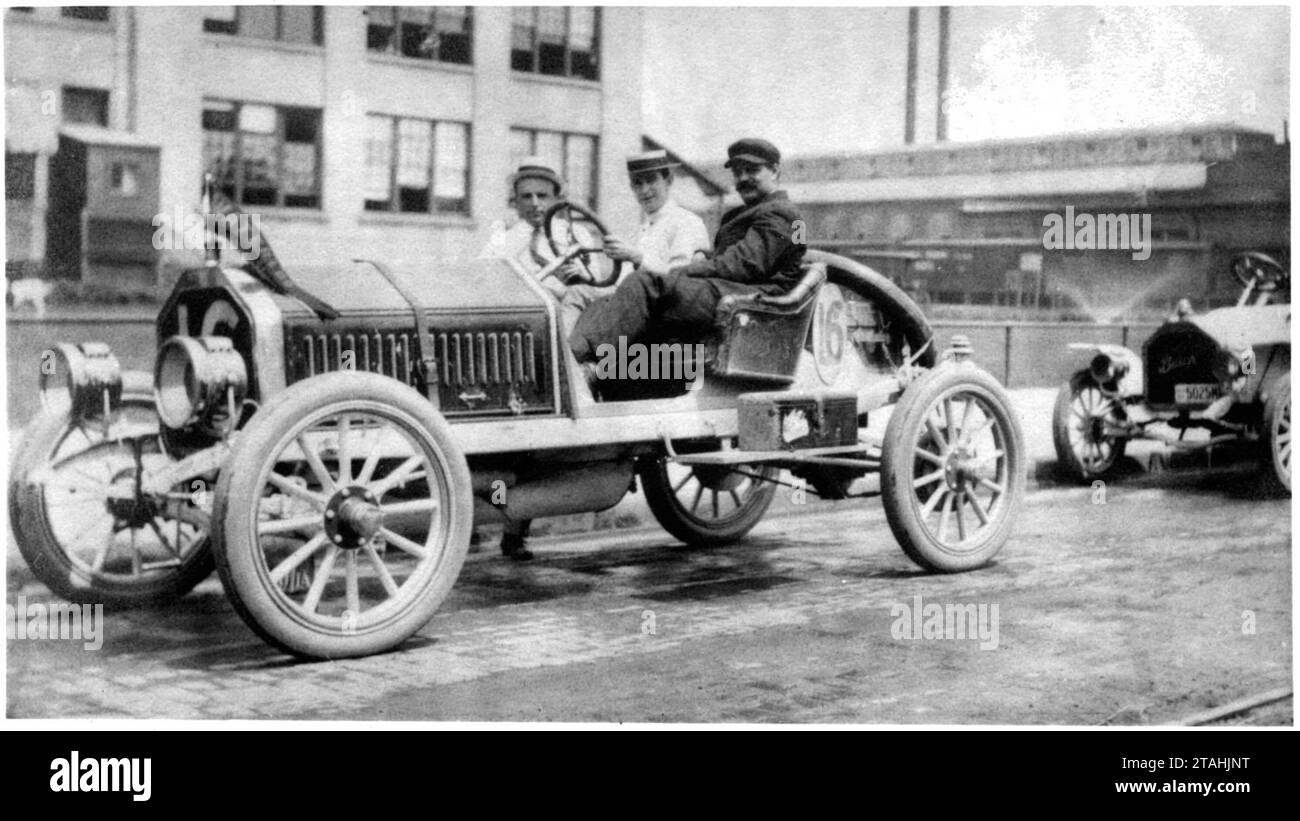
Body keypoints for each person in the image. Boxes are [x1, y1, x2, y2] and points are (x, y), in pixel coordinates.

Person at [569, 138, 805, 373]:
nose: (742, 178)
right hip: (733, 291)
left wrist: (686, 270)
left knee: (645, 283)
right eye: (737, 172)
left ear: (774, 170)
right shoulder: (752, 213)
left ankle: (580, 364)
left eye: (752, 170)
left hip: (754, 300)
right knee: (606, 300)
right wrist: (703, 257)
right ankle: (579, 357)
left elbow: (745, 264)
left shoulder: (781, 212)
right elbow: (744, 258)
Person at [479, 157, 583, 561]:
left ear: (558, 197)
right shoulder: (504, 238)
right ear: (515, 201)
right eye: (527, 197)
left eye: (544, 195)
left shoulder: (573, 232)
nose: (536, 204)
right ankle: (487, 521)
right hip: (511, 337)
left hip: (558, 334)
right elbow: (486, 277)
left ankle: (515, 531)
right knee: (507, 446)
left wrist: (577, 275)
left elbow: (596, 281)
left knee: (536, 448)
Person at [559, 149, 711, 329]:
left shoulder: (686, 221)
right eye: (638, 183)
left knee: (577, 295)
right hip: (636, 304)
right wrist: (585, 277)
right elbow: (623, 282)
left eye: (651, 180)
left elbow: (681, 279)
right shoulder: (646, 228)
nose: (645, 190)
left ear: (668, 181)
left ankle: (562, 356)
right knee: (571, 292)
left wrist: (636, 257)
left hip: (663, 312)